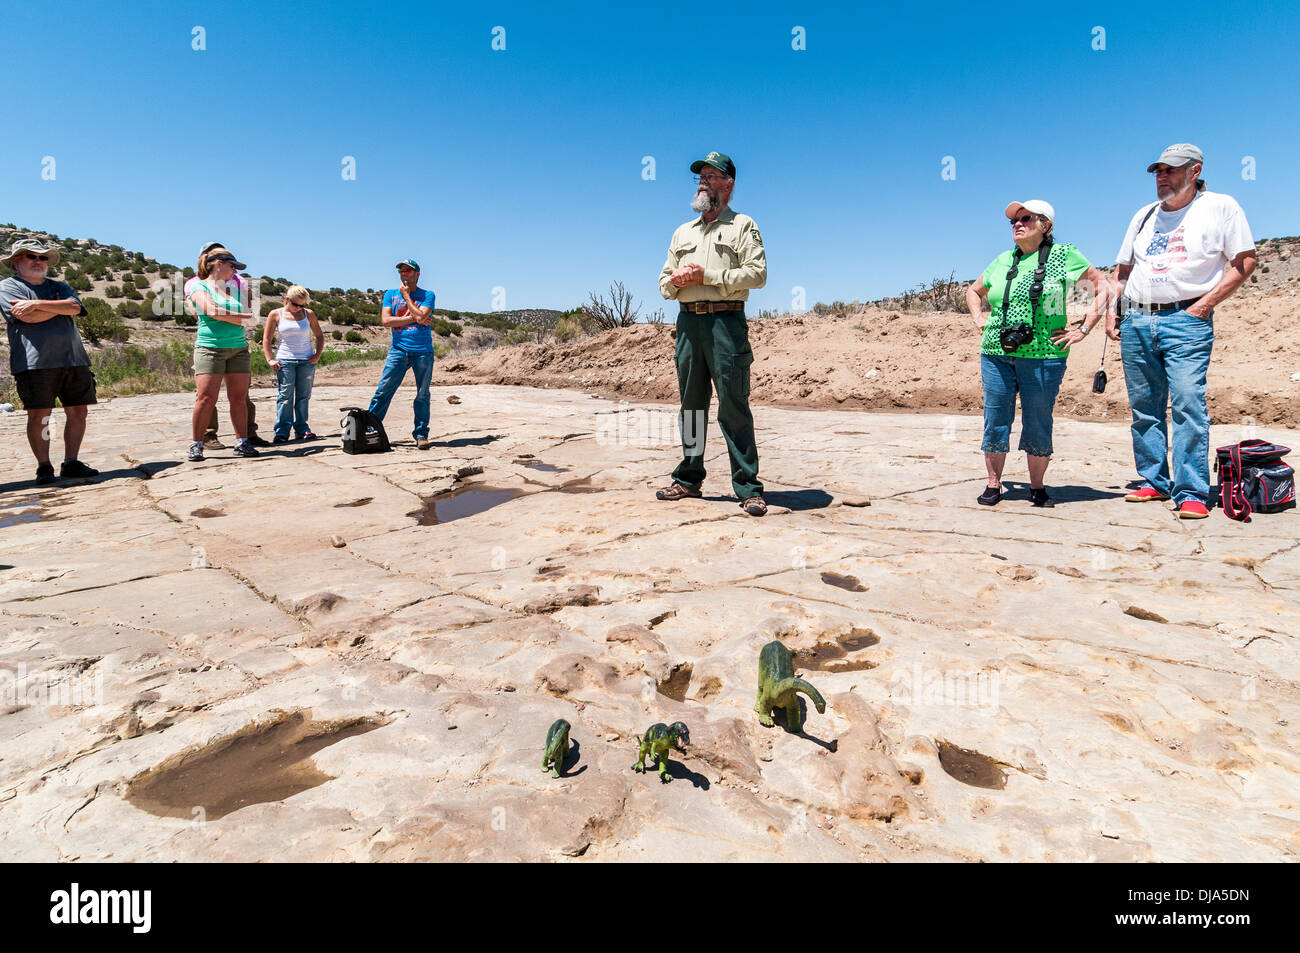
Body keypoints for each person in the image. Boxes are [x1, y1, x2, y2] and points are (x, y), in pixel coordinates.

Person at [1110, 144, 1257, 519]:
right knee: (1145, 408)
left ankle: (1191, 490)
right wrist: (1115, 312)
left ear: (1194, 171)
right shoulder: (1143, 216)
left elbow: (1245, 262)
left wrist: (1202, 307)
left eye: (1170, 170)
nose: (1162, 176)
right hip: (1137, 319)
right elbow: (1123, 270)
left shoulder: (1221, 207)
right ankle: (1154, 482)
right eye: (1158, 170)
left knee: (1189, 404)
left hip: (1186, 320)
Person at [965, 201, 1110, 506]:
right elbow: (973, 290)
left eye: (1025, 218)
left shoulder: (1063, 255)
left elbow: (1103, 289)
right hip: (995, 351)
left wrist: (1082, 330)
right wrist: (979, 317)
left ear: (1045, 224)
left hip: (1044, 352)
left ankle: (1037, 486)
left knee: (1038, 420)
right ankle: (994, 484)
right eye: (1014, 221)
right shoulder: (1004, 259)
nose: (1017, 224)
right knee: (996, 418)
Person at [656, 151, 768, 516]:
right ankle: (688, 479)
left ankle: (748, 487)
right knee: (691, 405)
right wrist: (677, 281)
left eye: (711, 175)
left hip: (726, 324)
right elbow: (662, 283)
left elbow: (757, 275)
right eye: (700, 176)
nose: (703, 181)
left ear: (728, 184)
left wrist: (708, 277)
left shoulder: (743, 226)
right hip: (688, 324)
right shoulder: (681, 232)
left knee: (734, 406)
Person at [0, 239, 99, 484]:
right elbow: (28, 319)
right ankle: (44, 466)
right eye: (31, 256)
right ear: (16, 261)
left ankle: (71, 462)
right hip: (34, 363)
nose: (38, 261)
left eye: (42, 257)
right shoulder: (7, 287)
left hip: (73, 358)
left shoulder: (60, 285)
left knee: (78, 411)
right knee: (40, 416)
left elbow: (75, 307)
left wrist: (35, 304)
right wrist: (59, 307)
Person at [184, 242, 268, 449]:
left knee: (240, 397)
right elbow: (208, 312)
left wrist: (233, 316)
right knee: (206, 397)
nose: (235, 271)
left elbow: (250, 316)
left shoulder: (236, 285)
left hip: (237, 346)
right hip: (210, 346)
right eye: (233, 266)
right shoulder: (196, 284)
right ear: (217, 263)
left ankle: (244, 439)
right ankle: (202, 440)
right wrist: (239, 317)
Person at [367, 258, 436, 449]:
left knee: (422, 394)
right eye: (401, 271)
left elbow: (422, 316)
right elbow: (386, 321)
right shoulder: (390, 294)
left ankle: (421, 435)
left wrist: (407, 298)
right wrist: (413, 318)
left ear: (417, 274)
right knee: (384, 390)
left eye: (408, 270)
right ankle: (370, 430)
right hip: (398, 350)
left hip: (423, 351)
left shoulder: (428, 295)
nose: (404, 273)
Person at [263, 285, 324, 443]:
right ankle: (282, 431)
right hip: (285, 360)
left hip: (306, 360)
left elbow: (319, 336)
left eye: (303, 305)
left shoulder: (308, 314)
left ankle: (302, 428)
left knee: (303, 396)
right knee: (285, 396)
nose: (299, 308)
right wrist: (270, 359)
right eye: (296, 304)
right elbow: (267, 339)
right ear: (287, 300)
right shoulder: (275, 314)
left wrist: (317, 354)